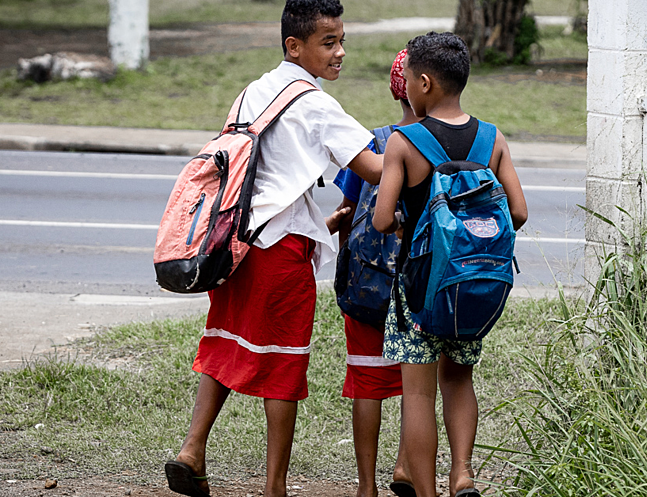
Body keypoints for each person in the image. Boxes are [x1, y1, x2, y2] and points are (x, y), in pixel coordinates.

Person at [164, 1, 383, 496]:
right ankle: (275, 487)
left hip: (235, 244)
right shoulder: (315, 104)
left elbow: (264, 176)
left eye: (342, 41)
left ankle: (192, 450)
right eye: (329, 42)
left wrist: (320, 222)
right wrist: (425, 150)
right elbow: (373, 168)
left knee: (225, 339)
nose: (340, 52)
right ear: (294, 46)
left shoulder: (253, 91)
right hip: (281, 253)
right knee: (285, 361)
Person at [372, 32, 529, 497]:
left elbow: (381, 218)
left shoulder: (404, 142)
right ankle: (462, 474)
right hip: (471, 284)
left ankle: (427, 493)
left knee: (419, 394)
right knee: (459, 380)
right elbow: (519, 213)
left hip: (420, 290)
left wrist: (403, 222)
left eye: (409, 82)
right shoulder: (491, 138)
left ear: (424, 83)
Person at [331, 48, 417, 497]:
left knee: (366, 381)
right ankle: (405, 465)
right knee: (417, 381)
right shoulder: (442, 143)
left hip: (368, 283)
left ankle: (366, 486)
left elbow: (348, 212)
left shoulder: (373, 143)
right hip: (420, 285)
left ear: (394, 90)